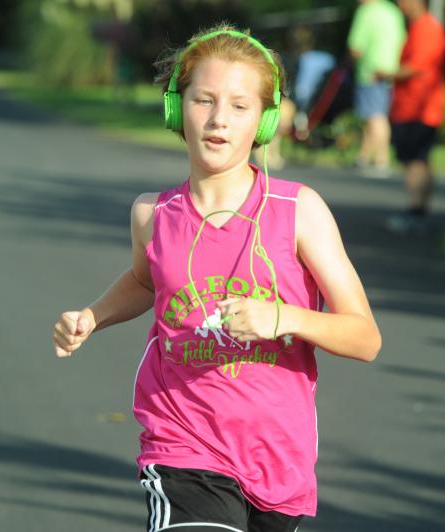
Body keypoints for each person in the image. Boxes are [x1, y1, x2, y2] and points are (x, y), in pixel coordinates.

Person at [53, 24, 381, 532]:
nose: (218, 120)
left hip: (278, 463)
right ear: (175, 107)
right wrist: (93, 316)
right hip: (182, 444)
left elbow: (364, 337)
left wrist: (282, 317)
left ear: (266, 121)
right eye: (203, 100)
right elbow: (144, 281)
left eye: (239, 106)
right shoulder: (152, 215)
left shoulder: (299, 211)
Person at [383, 0, 445, 234]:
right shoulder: (419, 27)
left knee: (414, 161)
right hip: (416, 106)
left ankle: (416, 211)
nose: (400, 4)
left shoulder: (426, 27)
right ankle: (421, 210)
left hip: (418, 107)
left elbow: (416, 67)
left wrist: (386, 74)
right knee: (420, 158)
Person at [346, 0, 406, 178]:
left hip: (370, 72)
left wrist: (347, 63)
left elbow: (356, 47)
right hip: (391, 71)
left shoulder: (366, 12)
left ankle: (382, 159)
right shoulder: (393, 11)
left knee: (375, 117)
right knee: (373, 115)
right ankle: (364, 156)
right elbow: (402, 40)